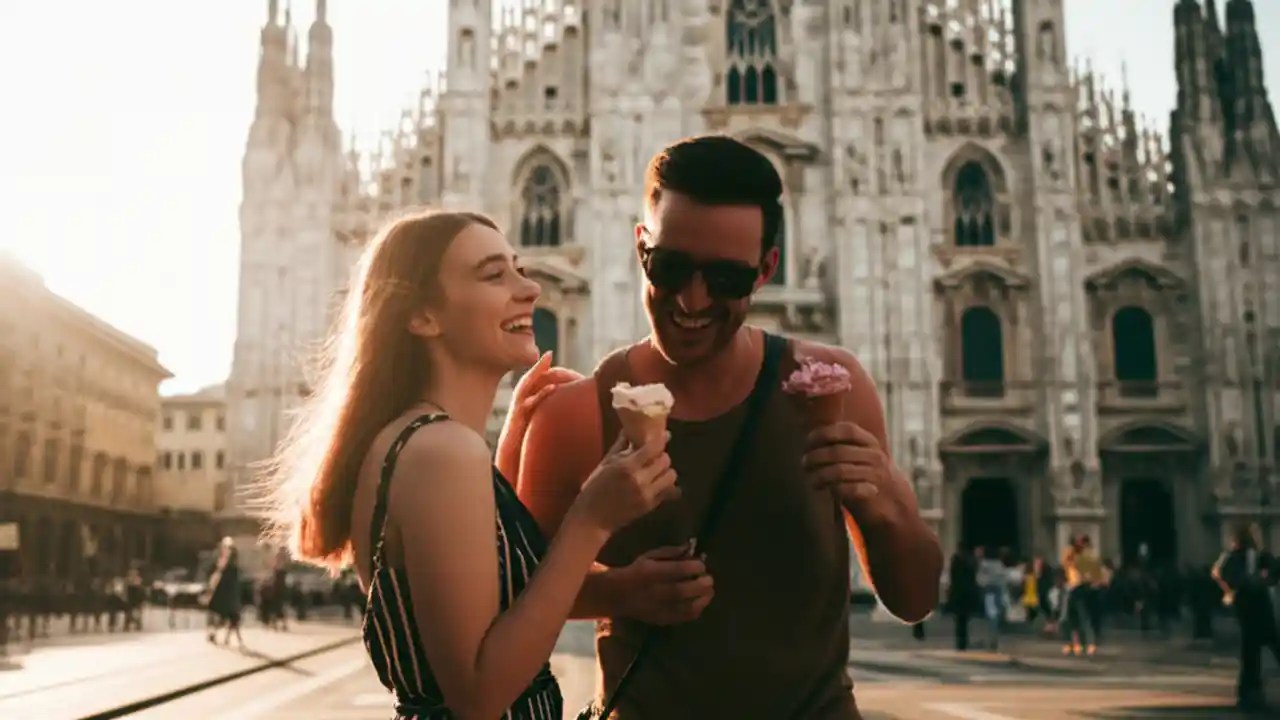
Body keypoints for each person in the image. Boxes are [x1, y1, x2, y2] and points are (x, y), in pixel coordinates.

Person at [508, 135, 943, 718]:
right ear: (641, 248)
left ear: (766, 269)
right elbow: (508, 600)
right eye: (670, 267)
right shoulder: (573, 417)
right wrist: (619, 591)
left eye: (726, 280)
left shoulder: (832, 386)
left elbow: (914, 599)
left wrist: (892, 507)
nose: (692, 299)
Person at [265, 210, 678, 719]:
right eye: (492, 274)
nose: (529, 289)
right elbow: (479, 697)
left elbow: (487, 602)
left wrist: (505, 456)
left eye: (518, 268)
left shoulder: (417, 441)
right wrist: (591, 522)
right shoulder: (441, 453)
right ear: (423, 317)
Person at [1211, 523, 1280, 711]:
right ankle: (1249, 694)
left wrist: (1264, 579)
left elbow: (1275, 571)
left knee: (1268, 647)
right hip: (1248, 610)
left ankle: (1250, 693)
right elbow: (1222, 574)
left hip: (1262, 609)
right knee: (1251, 654)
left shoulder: (1262, 556)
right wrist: (1236, 586)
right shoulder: (1234, 557)